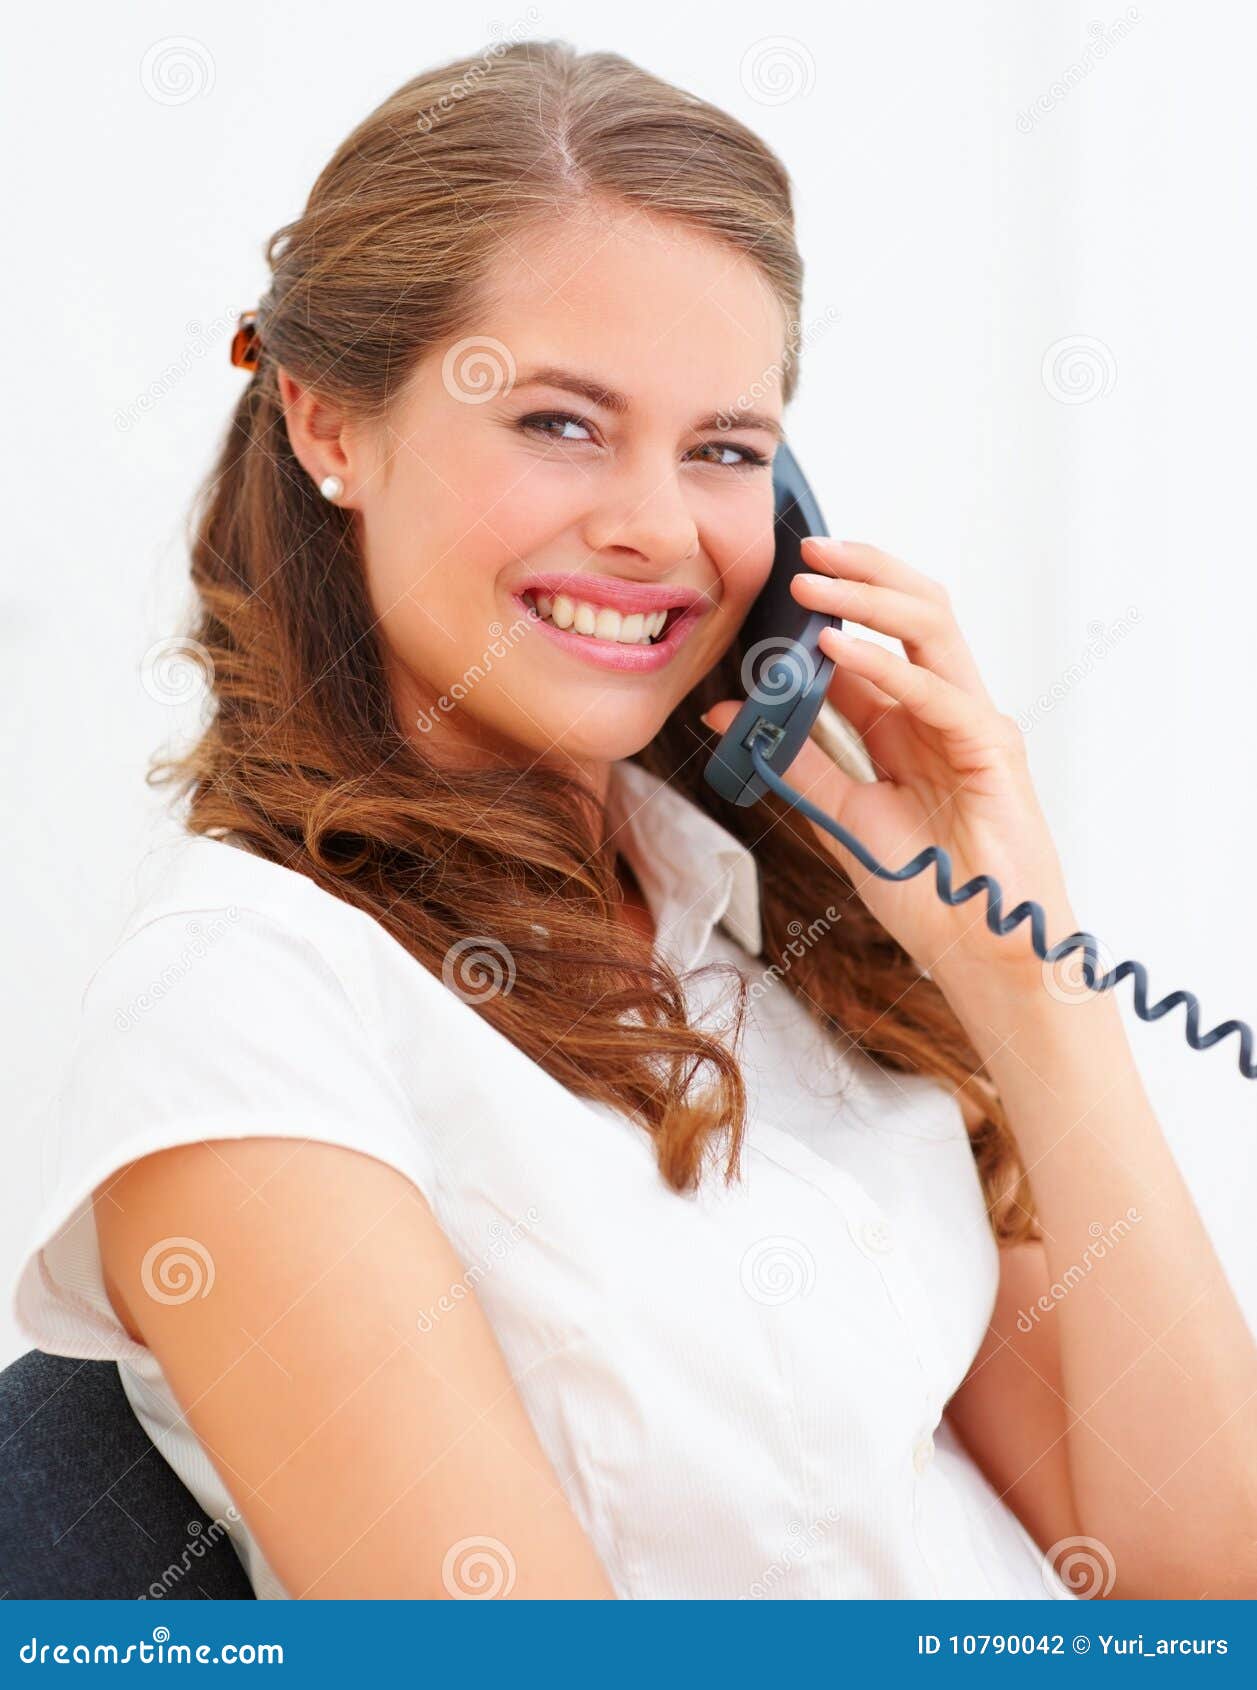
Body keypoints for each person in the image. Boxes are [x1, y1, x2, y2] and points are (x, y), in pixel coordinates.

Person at [12, 40, 1257, 1602]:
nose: (661, 529)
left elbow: (1197, 1583)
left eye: (724, 449)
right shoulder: (246, 1004)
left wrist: (1022, 969)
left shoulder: (782, 943)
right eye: (557, 422)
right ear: (331, 426)